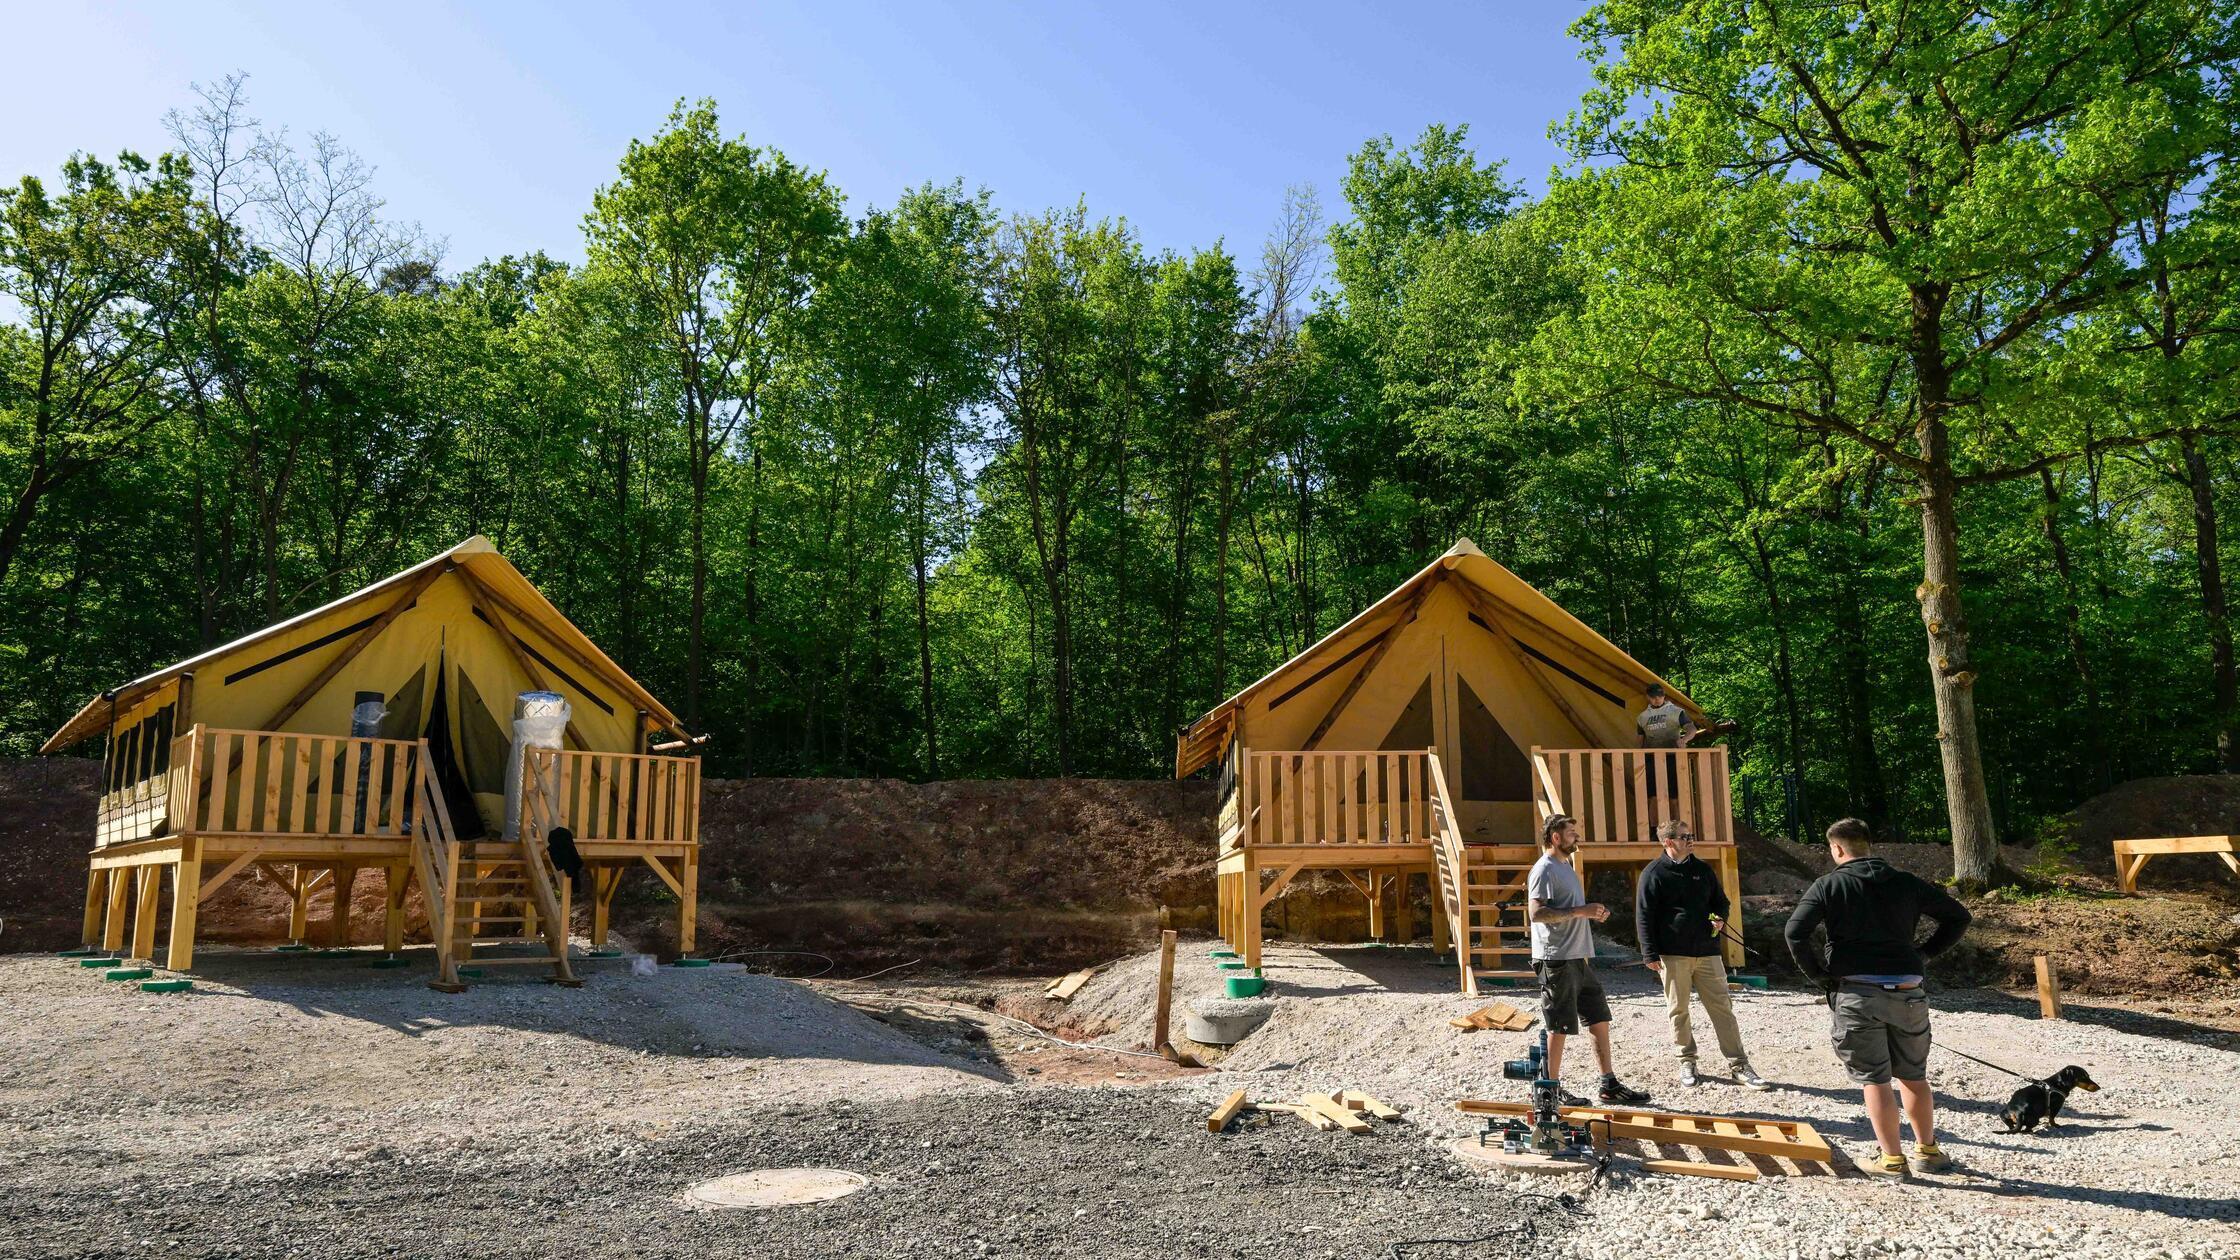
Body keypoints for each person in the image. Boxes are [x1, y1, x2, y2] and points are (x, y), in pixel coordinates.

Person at [1784, 817, 1974, 1178]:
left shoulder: (1828, 885)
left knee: (1876, 1078)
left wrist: (1820, 977)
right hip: (1908, 990)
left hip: (1857, 993)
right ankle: (1928, 1151)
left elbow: (1795, 932)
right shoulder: (1906, 882)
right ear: (1869, 844)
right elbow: (1958, 917)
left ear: (1836, 849)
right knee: (1914, 1076)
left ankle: (1891, 1160)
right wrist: (1924, 953)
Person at [1636, 819, 1770, 1090]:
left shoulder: (1703, 869)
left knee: (1723, 1008)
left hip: (1708, 953)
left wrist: (1720, 918)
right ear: (1668, 841)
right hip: (1673, 955)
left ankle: (1739, 1064)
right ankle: (1687, 1060)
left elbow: (1721, 901)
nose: (1690, 840)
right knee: (1679, 1010)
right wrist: (1649, 953)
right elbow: (1644, 916)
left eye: (1691, 835)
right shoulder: (1653, 873)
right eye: (1685, 837)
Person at [1528, 813, 1652, 1105]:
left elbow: (1571, 909)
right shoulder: (1544, 869)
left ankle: (1608, 1084)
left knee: (1598, 1017)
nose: (1577, 837)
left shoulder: (1565, 865)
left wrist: (1592, 913)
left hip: (1578, 959)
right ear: (1555, 837)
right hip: (1556, 959)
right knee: (1559, 1025)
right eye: (1572, 833)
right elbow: (1536, 913)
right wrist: (1580, 912)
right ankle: (1549, 1090)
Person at [1637, 682, 1696, 815]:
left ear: (1664, 696)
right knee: (1652, 796)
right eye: (1653, 696)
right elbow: (1640, 740)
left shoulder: (1675, 711)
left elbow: (1692, 729)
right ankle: (1654, 831)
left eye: (1660, 696)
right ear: (1648, 697)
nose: (1657, 699)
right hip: (1651, 759)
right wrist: (1639, 756)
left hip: (1672, 758)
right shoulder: (1642, 717)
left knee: (1674, 796)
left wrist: (1684, 740)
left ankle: (1676, 827)